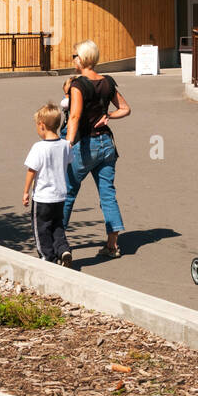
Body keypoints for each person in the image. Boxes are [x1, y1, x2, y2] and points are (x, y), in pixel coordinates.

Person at [62, 40, 131, 258]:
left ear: (81, 59)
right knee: (108, 194)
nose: (73, 59)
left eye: (74, 56)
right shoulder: (108, 82)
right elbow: (126, 109)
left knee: (68, 192)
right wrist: (108, 116)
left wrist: (67, 146)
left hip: (85, 144)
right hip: (107, 145)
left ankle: (58, 242)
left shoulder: (78, 85)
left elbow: (74, 116)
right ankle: (112, 245)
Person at [22, 103, 73, 266]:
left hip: (43, 197)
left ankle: (47, 258)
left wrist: (26, 192)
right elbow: (68, 163)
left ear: (41, 125)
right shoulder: (65, 145)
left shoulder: (39, 147)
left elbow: (32, 171)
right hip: (60, 195)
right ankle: (63, 249)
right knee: (57, 225)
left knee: (41, 229)